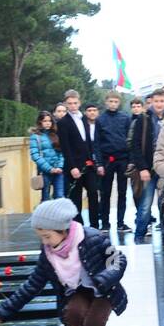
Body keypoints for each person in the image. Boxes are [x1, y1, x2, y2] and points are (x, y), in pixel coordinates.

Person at [0, 198, 128, 326]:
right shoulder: (48, 255)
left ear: (63, 230)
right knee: (72, 315)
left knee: (93, 325)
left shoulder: (92, 238)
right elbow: (32, 285)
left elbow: (118, 260)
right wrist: (3, 311)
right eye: (41, 237)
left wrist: (106, 278)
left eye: (47, 236)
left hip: (104, 290)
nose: (44, 242)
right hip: (77, 291)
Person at [128, 88, 164, 241]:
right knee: (145, 205)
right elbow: (135, 145)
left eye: (162, 101)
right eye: (156, 101)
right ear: (151, 102)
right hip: (149, 169)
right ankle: (139, 234)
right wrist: (142, 168)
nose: (159, 104)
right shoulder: (143, 119)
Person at [56, 90, 98, 226]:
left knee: (93, 193)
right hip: (74, 166)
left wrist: (93, 160)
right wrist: (73, 166)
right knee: (76, 198)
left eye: (75, 103)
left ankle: (95, 225)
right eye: (70, 104)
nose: (73, 106)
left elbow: (89, 142)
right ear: (66, 104)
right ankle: (78, 226)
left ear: (79, 103)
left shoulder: (84, 119)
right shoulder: (63, 123)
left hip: (88, 164)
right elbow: (65, 147)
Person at [95, 91, 133, 231]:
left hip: (122, 159)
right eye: (110, 101)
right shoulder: (100, 120)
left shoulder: (125, 118)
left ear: (119, 102)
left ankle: (121, 223)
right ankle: (105, 223)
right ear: (106, 102)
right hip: (107, 160)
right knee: (105, 193)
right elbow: (97, 144)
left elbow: (130, 140)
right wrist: (99, 163)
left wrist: (130, 160)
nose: (113, 104)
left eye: (115, 101)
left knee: (122, 192)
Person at [29, 111, 65, 202]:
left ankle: (59, 216)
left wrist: (60, 166)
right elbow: (35, 155)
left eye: (49, 121)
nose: (48, 123)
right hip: (45, 172)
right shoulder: (35, 137)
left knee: (60, 196)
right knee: (46, 198)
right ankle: (46, 216)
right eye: (45, 121)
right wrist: (49, 168)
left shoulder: (56, 135)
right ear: (40, 122)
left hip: (58, 171)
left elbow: (62, 152)